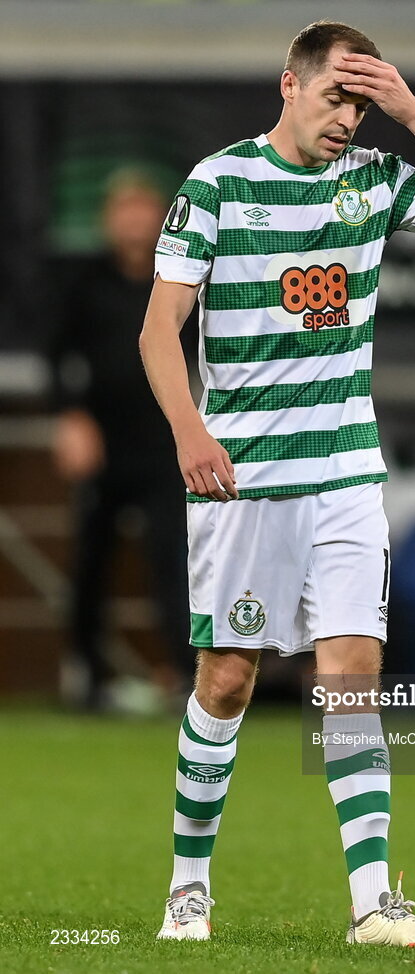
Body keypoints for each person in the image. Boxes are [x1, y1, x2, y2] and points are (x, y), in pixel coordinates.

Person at [139, 20, 415, 948]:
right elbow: (158, 330)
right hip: (243, 484)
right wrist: (190, 428)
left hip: (345, 474)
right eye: (334, 95)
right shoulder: (218, 184)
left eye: (360, 99)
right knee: (227, 682)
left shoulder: (376, 182)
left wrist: (410, 106)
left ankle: (373, 905)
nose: (347, 116)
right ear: (289, 86)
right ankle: (189, 888)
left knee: (351, 682)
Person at [51, 170, 195, 709]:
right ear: (108, 220)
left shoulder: (181, 279)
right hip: (105, 443)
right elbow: (56, 356)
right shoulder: (84, 282)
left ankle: (189, 678)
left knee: (174, 560)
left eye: (143, 210)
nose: (134, 222)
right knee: (91, 560)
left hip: (165, 442)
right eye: (124, 211)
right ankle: (85, 676)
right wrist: (70, 417)